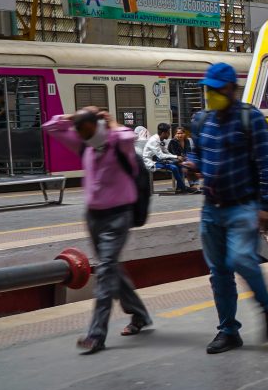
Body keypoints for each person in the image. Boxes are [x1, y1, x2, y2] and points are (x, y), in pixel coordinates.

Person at [183, 62, 268, 354]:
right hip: (211, 208)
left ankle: (266, 306)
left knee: (241, 259)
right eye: (208, 88)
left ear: (231, 89)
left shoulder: (252, 119)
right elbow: (197, 154)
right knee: (219, 272)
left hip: (243, 207)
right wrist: (192, 166)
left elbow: (266, 164)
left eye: (216, 89)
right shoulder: (201, 120)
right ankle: (228, 331)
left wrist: (267, 206)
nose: (210, 93)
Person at [42, 107, 152, 354]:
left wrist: (110, 121)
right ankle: (139, 314)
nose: (84, 136)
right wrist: (72, 117)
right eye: (80, 133)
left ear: (99, 126)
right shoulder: (85, 144)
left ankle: (96, 335)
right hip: (94, 217)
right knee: (110, 268)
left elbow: (127, 136)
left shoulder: (117, 142)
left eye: (88, 131)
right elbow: (50, 127)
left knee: (104, 273)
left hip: (118, 215)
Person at [143, 122, 190, 193]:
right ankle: (183, 187)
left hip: (159, 160)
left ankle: (179, 188)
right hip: (151, 162)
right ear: (163, 133)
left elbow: (166, 151)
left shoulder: (160, 139)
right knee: (174, 167)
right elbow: (161, 156)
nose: (169, 134)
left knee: (178, 165)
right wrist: (176, 156)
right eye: (168, 132)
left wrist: (177, 158)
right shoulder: (154, 141)